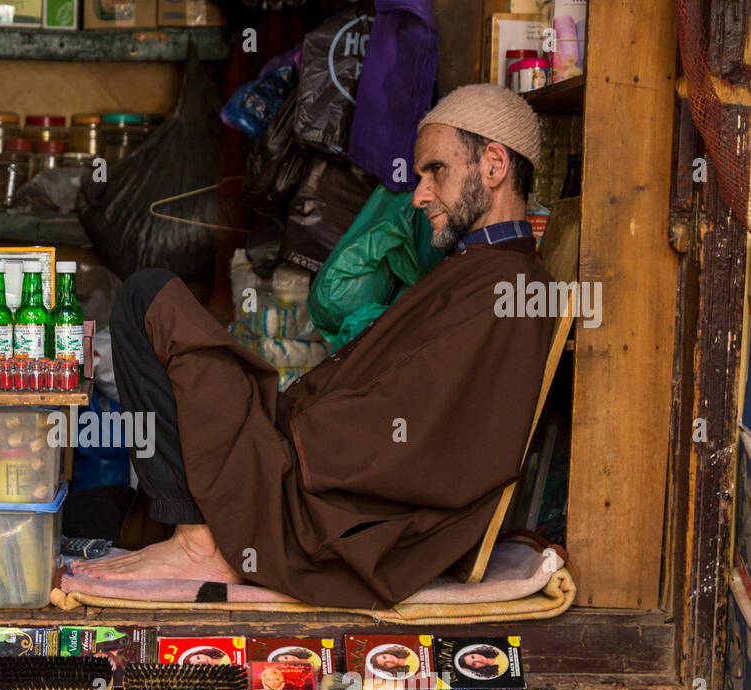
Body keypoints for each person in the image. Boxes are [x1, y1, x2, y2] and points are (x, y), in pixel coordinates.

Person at [77, 84, 557, 608]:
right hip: (304, 466)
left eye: (434, 171)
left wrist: (276, 426)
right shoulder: (476, 271)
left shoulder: (508, 289)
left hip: (316, 509)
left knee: (148, 299)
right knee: (97, 510)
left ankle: (198, 542)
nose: (418, 195)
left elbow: (415, 432)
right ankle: (189, 529)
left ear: (493, 165)